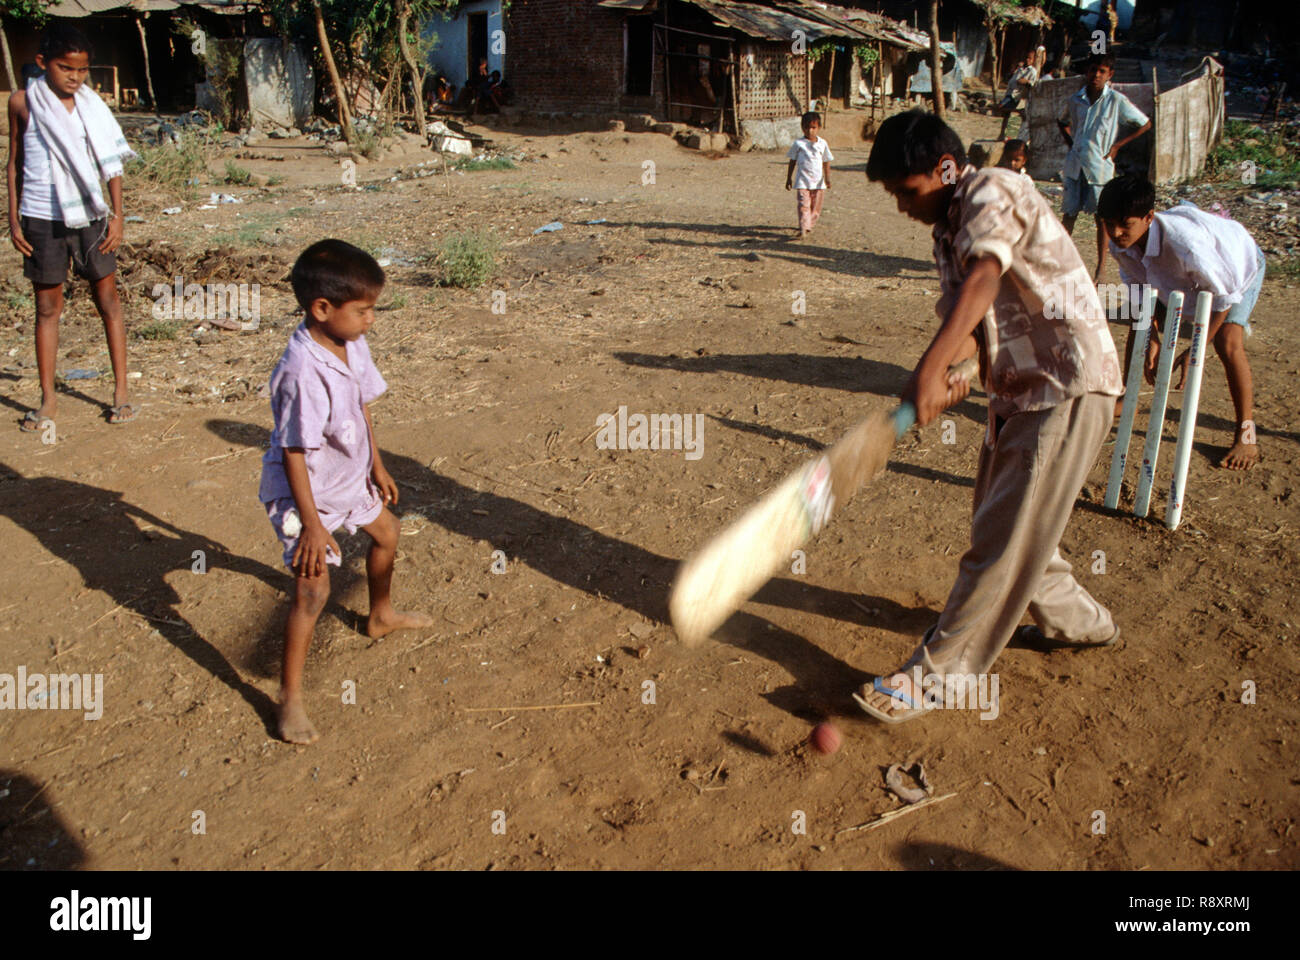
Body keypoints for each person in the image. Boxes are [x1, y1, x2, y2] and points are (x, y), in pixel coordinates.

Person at [857, 111, 1123, 724]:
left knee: (1002, 543)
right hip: (1020, 393)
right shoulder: (947, 236)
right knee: (1011, 527)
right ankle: (1082, 625)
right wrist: (957, 373)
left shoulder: (992, 189)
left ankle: (936, 676)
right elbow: (976, 324)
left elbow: (986, 275)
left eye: (907, 190)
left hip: (1067, 384)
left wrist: (927, 369)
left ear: (945, 169)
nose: (901, 205)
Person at [260, 239, 432, 744]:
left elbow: (361, 408)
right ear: (322, 308)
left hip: (349, 477)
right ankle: (289, 699)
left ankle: (380, 615)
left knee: (388, 533)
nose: (371, 320)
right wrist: (312, 525)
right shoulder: (299, 372)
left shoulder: (351, 343)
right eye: (364, 310)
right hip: (304, 495)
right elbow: (294, 451)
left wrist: (376, 464)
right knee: (313, 591)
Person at [6, 24, 135, 434]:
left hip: (92, 215)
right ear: (43, 63)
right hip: (41, 216)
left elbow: (109, 164)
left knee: (108, 300)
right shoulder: (23, 102)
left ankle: (120, 392)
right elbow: (14, 164)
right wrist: (13, 218)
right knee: (47, 309)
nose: (75, 78)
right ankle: (48, 400)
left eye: (82, 70)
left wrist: (117, 215)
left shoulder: (91, 107)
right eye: (66, 68)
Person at [1098, 175, 1264, 470]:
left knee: (1228, 342)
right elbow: (1140, 293)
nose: (1116, 231)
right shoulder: (1121, 243)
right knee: (1140, 328)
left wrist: (1197, 348)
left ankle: (1246, 435)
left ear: (1149, 217)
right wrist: (1151, 334)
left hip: (1236, 265)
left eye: (1125, 223)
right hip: (1174, 276)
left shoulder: (1186, 245)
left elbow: (1223, 297)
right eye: (1109, 223)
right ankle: (1129, 399)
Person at [1057, 52, 1151, 284]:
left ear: (1110, 75)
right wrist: (1071, 143)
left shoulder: (1116, 101)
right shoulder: (1075, 99)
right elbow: (1063, 121)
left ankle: (1100, 268)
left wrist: (1117, 145)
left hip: (1099, 167)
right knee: (1068, 214)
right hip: (1075, 165)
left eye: (1101, 71)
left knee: (1102, 219)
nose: (1096, 75)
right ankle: (1056, 261)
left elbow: (1144, 123)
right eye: (1092, 70)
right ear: (1086, 72)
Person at [785, 111, 833, 239]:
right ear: (802, 128)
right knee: (803, 205)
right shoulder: (798, 144)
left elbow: (826, 161)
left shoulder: (822, 144)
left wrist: (827, 178)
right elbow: (792, 161)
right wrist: (789, 178)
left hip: (818, 182)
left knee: (815, 208)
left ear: (819, 128)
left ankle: (809, 224)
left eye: (813, 128)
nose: (810, 131)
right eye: (807, 128)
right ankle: (803, 228)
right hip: (802, 181)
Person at [998, 54, 1038, 140]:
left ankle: (1019, 113)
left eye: (1029, 58)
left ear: (1033, 60)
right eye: (1026, 57)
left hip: (1017, 95)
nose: (1027, 60)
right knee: (1005, 113)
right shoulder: (1020, 69)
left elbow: (1032, 84)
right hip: (1010, 92)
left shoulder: (1032, 71)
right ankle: (1002, 134)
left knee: (1007, 111)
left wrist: (1025, 82)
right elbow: (1014, 78)